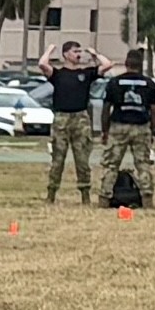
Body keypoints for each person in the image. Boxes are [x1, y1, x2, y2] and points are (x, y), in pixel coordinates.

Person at [98, 43, 155, 211]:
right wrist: (151, 130)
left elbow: (106, 108)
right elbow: (154, 110)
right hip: (141, 127)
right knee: (143, 165)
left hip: (118, 126)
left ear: (126, 63)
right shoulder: (148, 84)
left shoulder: (115, 82)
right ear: (140, 65)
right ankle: (147, 200)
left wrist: (105, 131)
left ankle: (104, 199)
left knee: (111, 165)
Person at [40, 38, 99, 205]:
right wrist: (50, 50)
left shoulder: (85, 74)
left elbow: (107, 66)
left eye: (79, 51)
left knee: (82, 159)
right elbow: (42, 64)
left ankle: (85, 195)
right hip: (61, 119)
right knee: (58, 159)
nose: (78, 55)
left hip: (80, 118)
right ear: (66, 54)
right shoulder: (58, 75)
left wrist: (94, 55)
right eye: (75, 51)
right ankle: (51, 194)